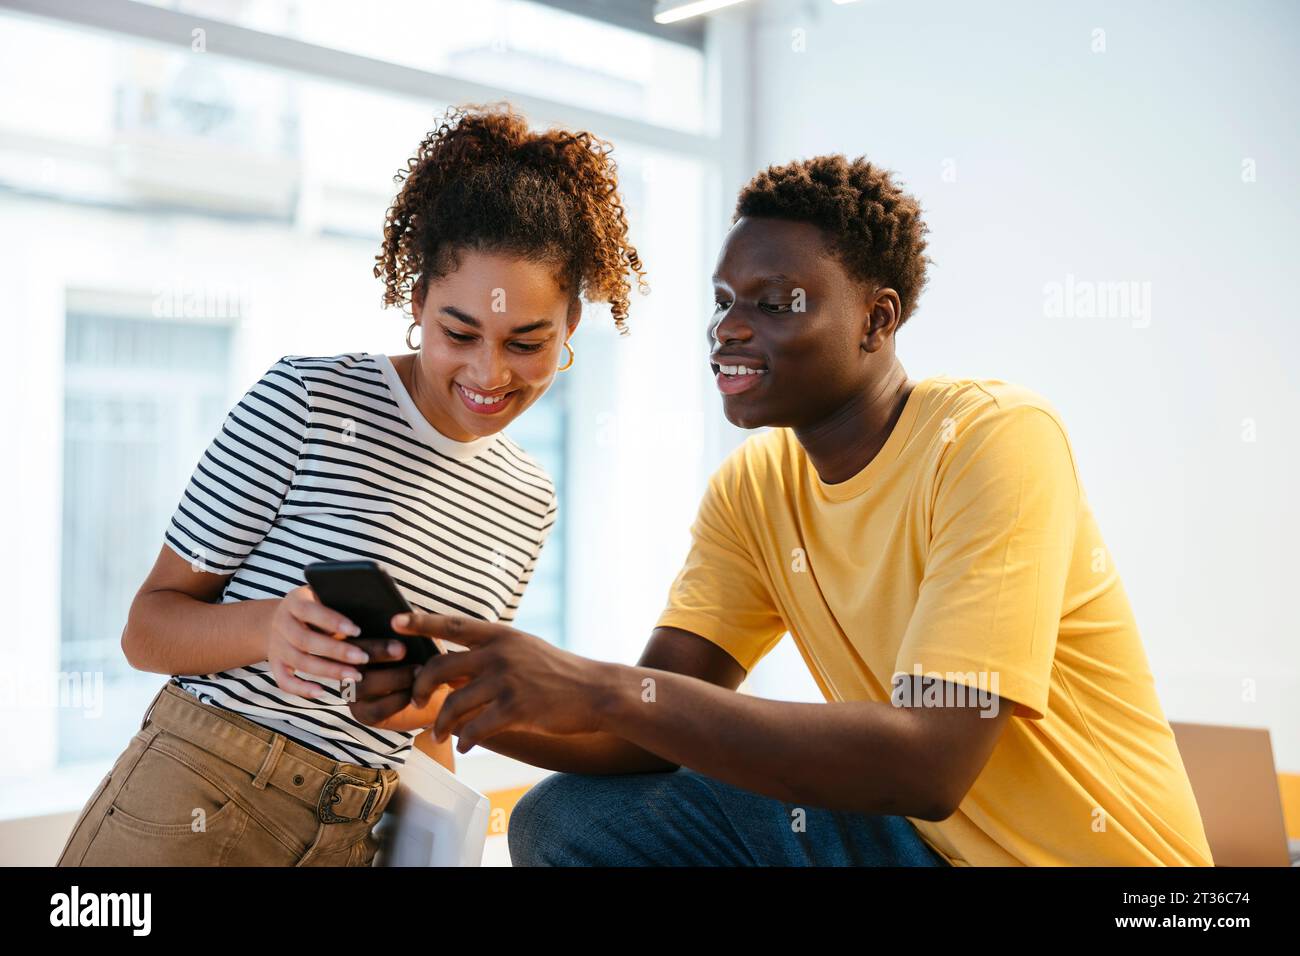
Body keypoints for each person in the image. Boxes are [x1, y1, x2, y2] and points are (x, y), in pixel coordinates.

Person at [351, 154, 1215, 867]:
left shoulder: (992, 436)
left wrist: (602, 688)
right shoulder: (757, 486)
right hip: (921, 849)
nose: (729, 327)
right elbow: (650, 734)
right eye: (725, 301)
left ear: (878, 319)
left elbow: (928, 764)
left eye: (775, 303)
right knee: (565, 820)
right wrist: (461, 702)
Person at [56, 103, 646, 867]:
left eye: (527, 342)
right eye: (458, 331)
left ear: (571, 326)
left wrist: (433, 838)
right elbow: (146, 628)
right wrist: (269, 627)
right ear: (416, 305)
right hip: (200, 793)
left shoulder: (530, 499)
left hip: (364, 831)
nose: (488, 374)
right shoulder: (307, 401)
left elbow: (432, 720)